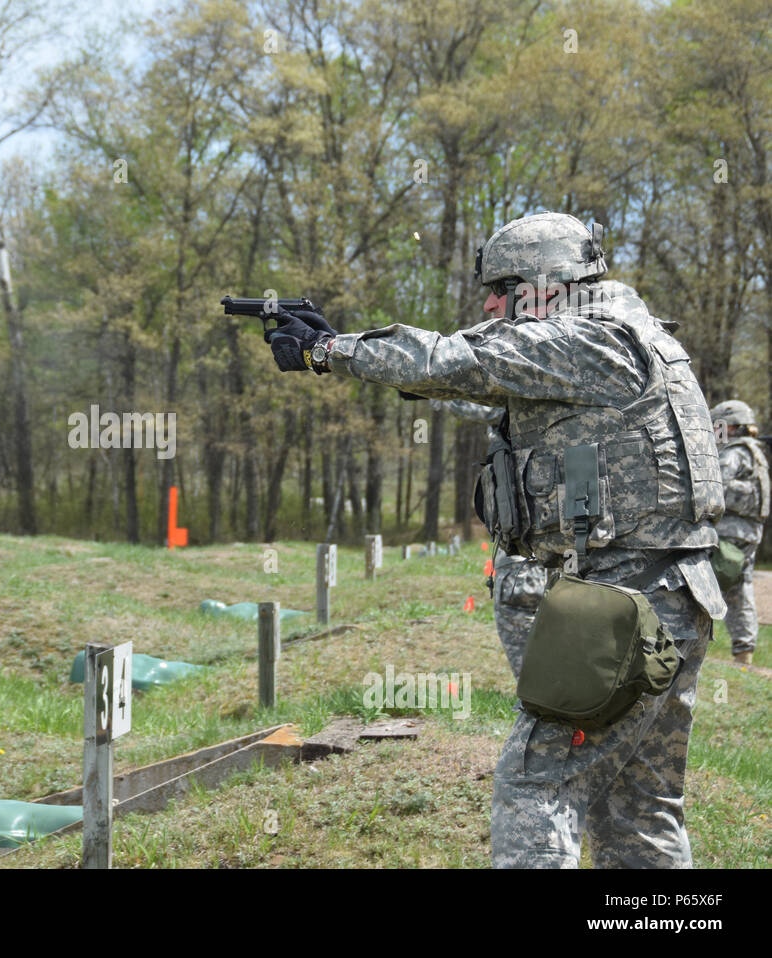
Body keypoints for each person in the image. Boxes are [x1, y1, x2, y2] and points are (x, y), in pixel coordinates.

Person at [263, 211, 726, 868]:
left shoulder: (585, 339)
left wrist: (328, 349)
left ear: (545, 282)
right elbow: (467, 375)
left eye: (501, 287)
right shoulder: (625, 337)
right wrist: (355, 347)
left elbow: (460, 358)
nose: (488, 302)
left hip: (623, 609)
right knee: (638, 802)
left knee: (537, 784)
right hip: (672, 600)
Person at [430, 397, 546, 678]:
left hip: (529, 550)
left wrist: (435, 393)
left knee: (537, 683)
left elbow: (478, 401)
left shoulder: (520, 388)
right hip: (582, 550)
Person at [708, 399, 768, 666]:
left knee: (710, 585)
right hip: (749, 532)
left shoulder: (733, 453)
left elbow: (714, 489)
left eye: (719, 426)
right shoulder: (756, 452)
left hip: (730, 534)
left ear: (731, 427)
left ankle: (737, 653)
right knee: (739, 589)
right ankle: (744, 652)